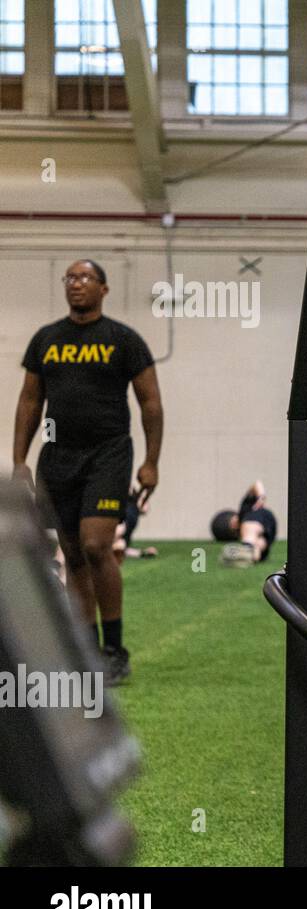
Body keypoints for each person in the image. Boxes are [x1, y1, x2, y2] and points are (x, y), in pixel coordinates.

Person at [13, 259, 163, 686]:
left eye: (85, 278)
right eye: (70, 278)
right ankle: (86, 651)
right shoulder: (46, 340)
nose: (76, 284)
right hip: (58, 457)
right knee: (74, 555)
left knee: (97, 546)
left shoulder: (123, 340)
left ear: (104, 288)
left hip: (109, 454)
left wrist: (152, 461)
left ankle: (115, 650)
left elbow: (150, 403)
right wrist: (20, 459)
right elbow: (29, 401)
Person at [212, 481, 278, 566]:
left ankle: (248, 549)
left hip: (260, 517)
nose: (233, 525)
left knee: (248, 527)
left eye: (231, 521)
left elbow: (257, 484)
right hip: (269, 532)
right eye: (232, 529)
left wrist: (261, 496)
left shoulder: (244, 510)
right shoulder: (242, 531)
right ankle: (252, 554)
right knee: (259, 544)